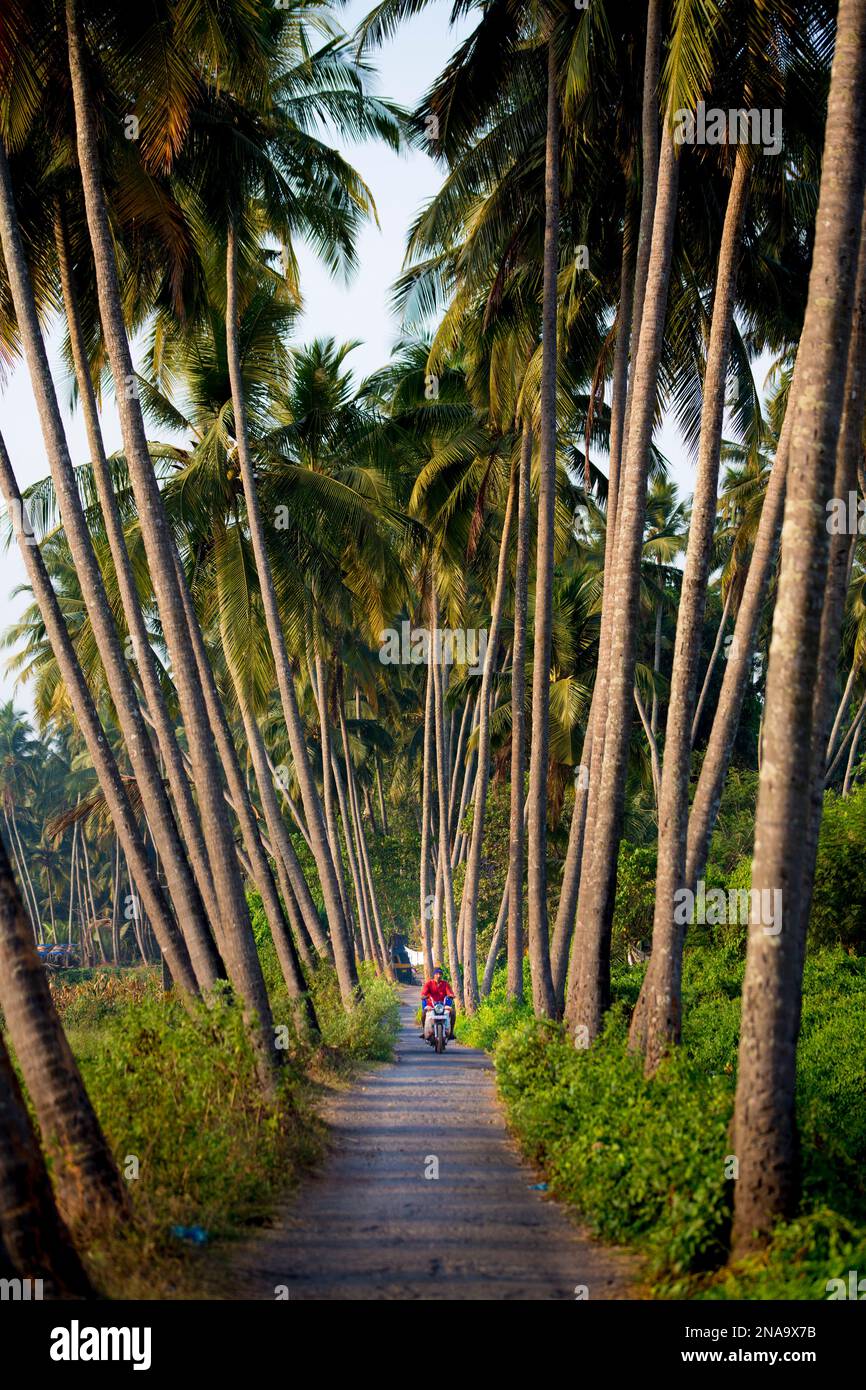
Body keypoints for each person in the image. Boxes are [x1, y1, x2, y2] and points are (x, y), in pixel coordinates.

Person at [420, 967, 455, 1039]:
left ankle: (451, 1032)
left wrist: (451, 995)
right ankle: (424, 1032)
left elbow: (449, 993)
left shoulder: (445, 984)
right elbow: (423, 994)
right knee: (424, 1013)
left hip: (442, 1006)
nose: (439, 975)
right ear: (434, 975)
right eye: (437, 974)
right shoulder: (428, 984)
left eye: (440, 974)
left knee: (452, 1011)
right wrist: (424, 996)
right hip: (431, 1005)